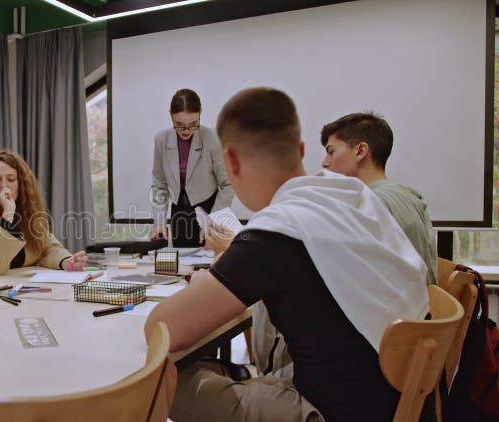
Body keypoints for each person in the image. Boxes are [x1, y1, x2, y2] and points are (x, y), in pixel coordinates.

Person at [144, 87, 430, 421]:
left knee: (163, 382)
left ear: (231, 161)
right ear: (301, 150)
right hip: (393, 397)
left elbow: (160, 329)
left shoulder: (276, 232)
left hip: (331, 411)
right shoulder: (353, 199)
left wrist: (209, 279)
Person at [321, 112, 437, 285]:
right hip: (422, 308)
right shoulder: (409, 196)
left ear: (360, 151)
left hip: (397, 311)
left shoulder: (371, 204)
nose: (325, 163)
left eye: (331, 152)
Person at [0, 150, 87, 276]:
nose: (4, 186)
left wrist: (67, 262)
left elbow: (47, 248)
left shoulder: (28, 211)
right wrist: (8, 214)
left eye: (11, 179)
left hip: (17, 286)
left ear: (21, 183)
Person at [150, 88, 234, 247]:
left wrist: (213, 220)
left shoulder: (214, 138)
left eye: (193, 124)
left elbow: (227, 184)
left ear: (200, 113)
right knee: (184, 264)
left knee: (212, 262)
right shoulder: (161, 139)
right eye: (179, 125)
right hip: (179, 211)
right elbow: (159, 184)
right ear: (171, 116)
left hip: (211, 207)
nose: (187, 131)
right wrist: (159, 220)